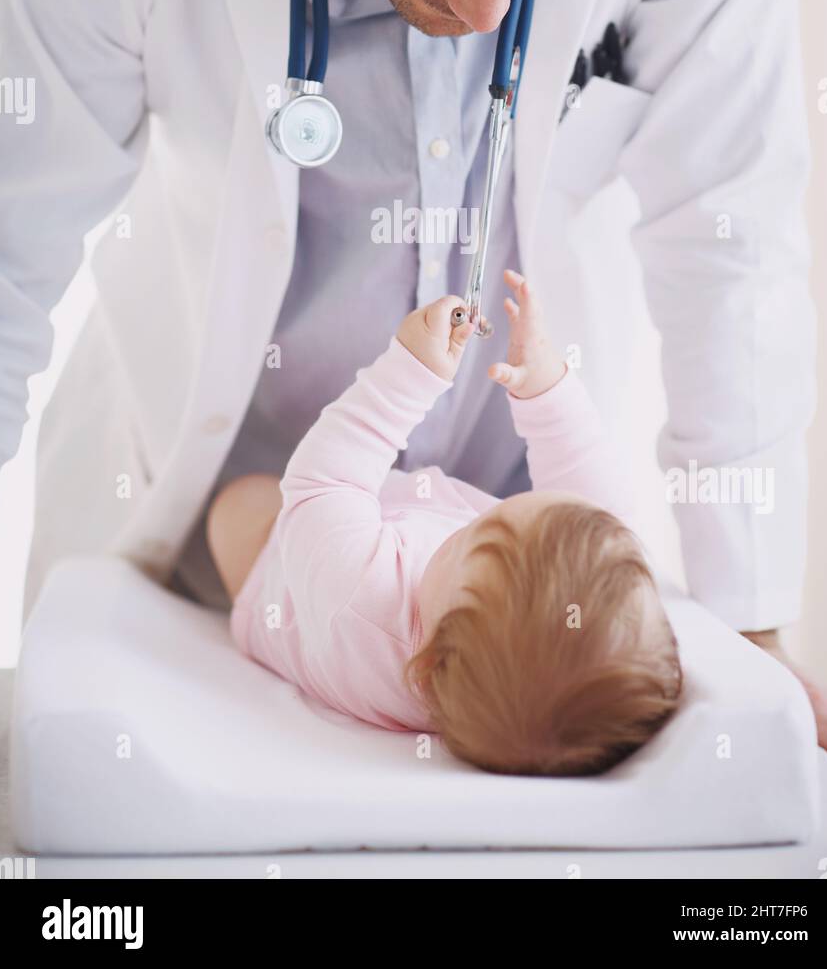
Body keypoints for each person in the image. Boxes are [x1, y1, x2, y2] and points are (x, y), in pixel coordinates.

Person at [0, 0, 827, 773]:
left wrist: (751, 630)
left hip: (516, 564)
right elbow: (2, 268)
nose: (484, 16)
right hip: (224, 515)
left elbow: (731, 232)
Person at [207, 270, 683, 774]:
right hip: (384, 535)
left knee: (234, 509)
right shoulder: (495, 660)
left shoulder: (357, 596)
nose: (465, 520)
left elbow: (324, 483)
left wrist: (408, 375)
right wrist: (544, 387)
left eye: (464, 538)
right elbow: (596, 505)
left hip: (284, 582)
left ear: (428, 662)